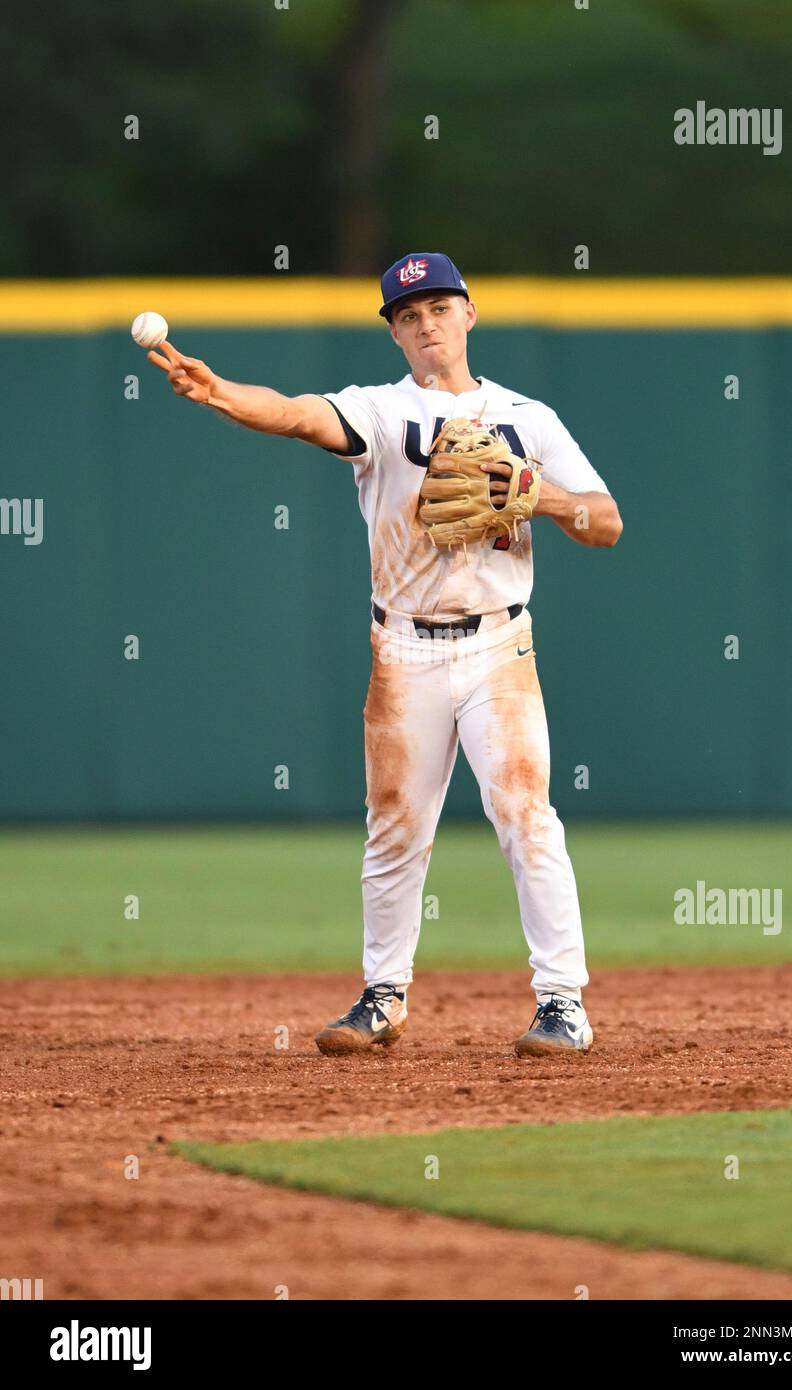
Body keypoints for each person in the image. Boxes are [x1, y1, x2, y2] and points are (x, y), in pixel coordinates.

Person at [148, 251, 623, 1058]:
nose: (427, 322)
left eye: (440, 307)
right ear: (395, 333)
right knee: (395, 830)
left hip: (500, 643)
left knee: (526, 818)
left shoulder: (528, 418)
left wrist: (533, 495)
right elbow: (296, 414)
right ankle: (383, 997)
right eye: (409, 315)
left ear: (469, 314)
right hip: (403, 649)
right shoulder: (379, 411)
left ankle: (562, 1004)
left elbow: (605, 521)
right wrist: (222, 392)